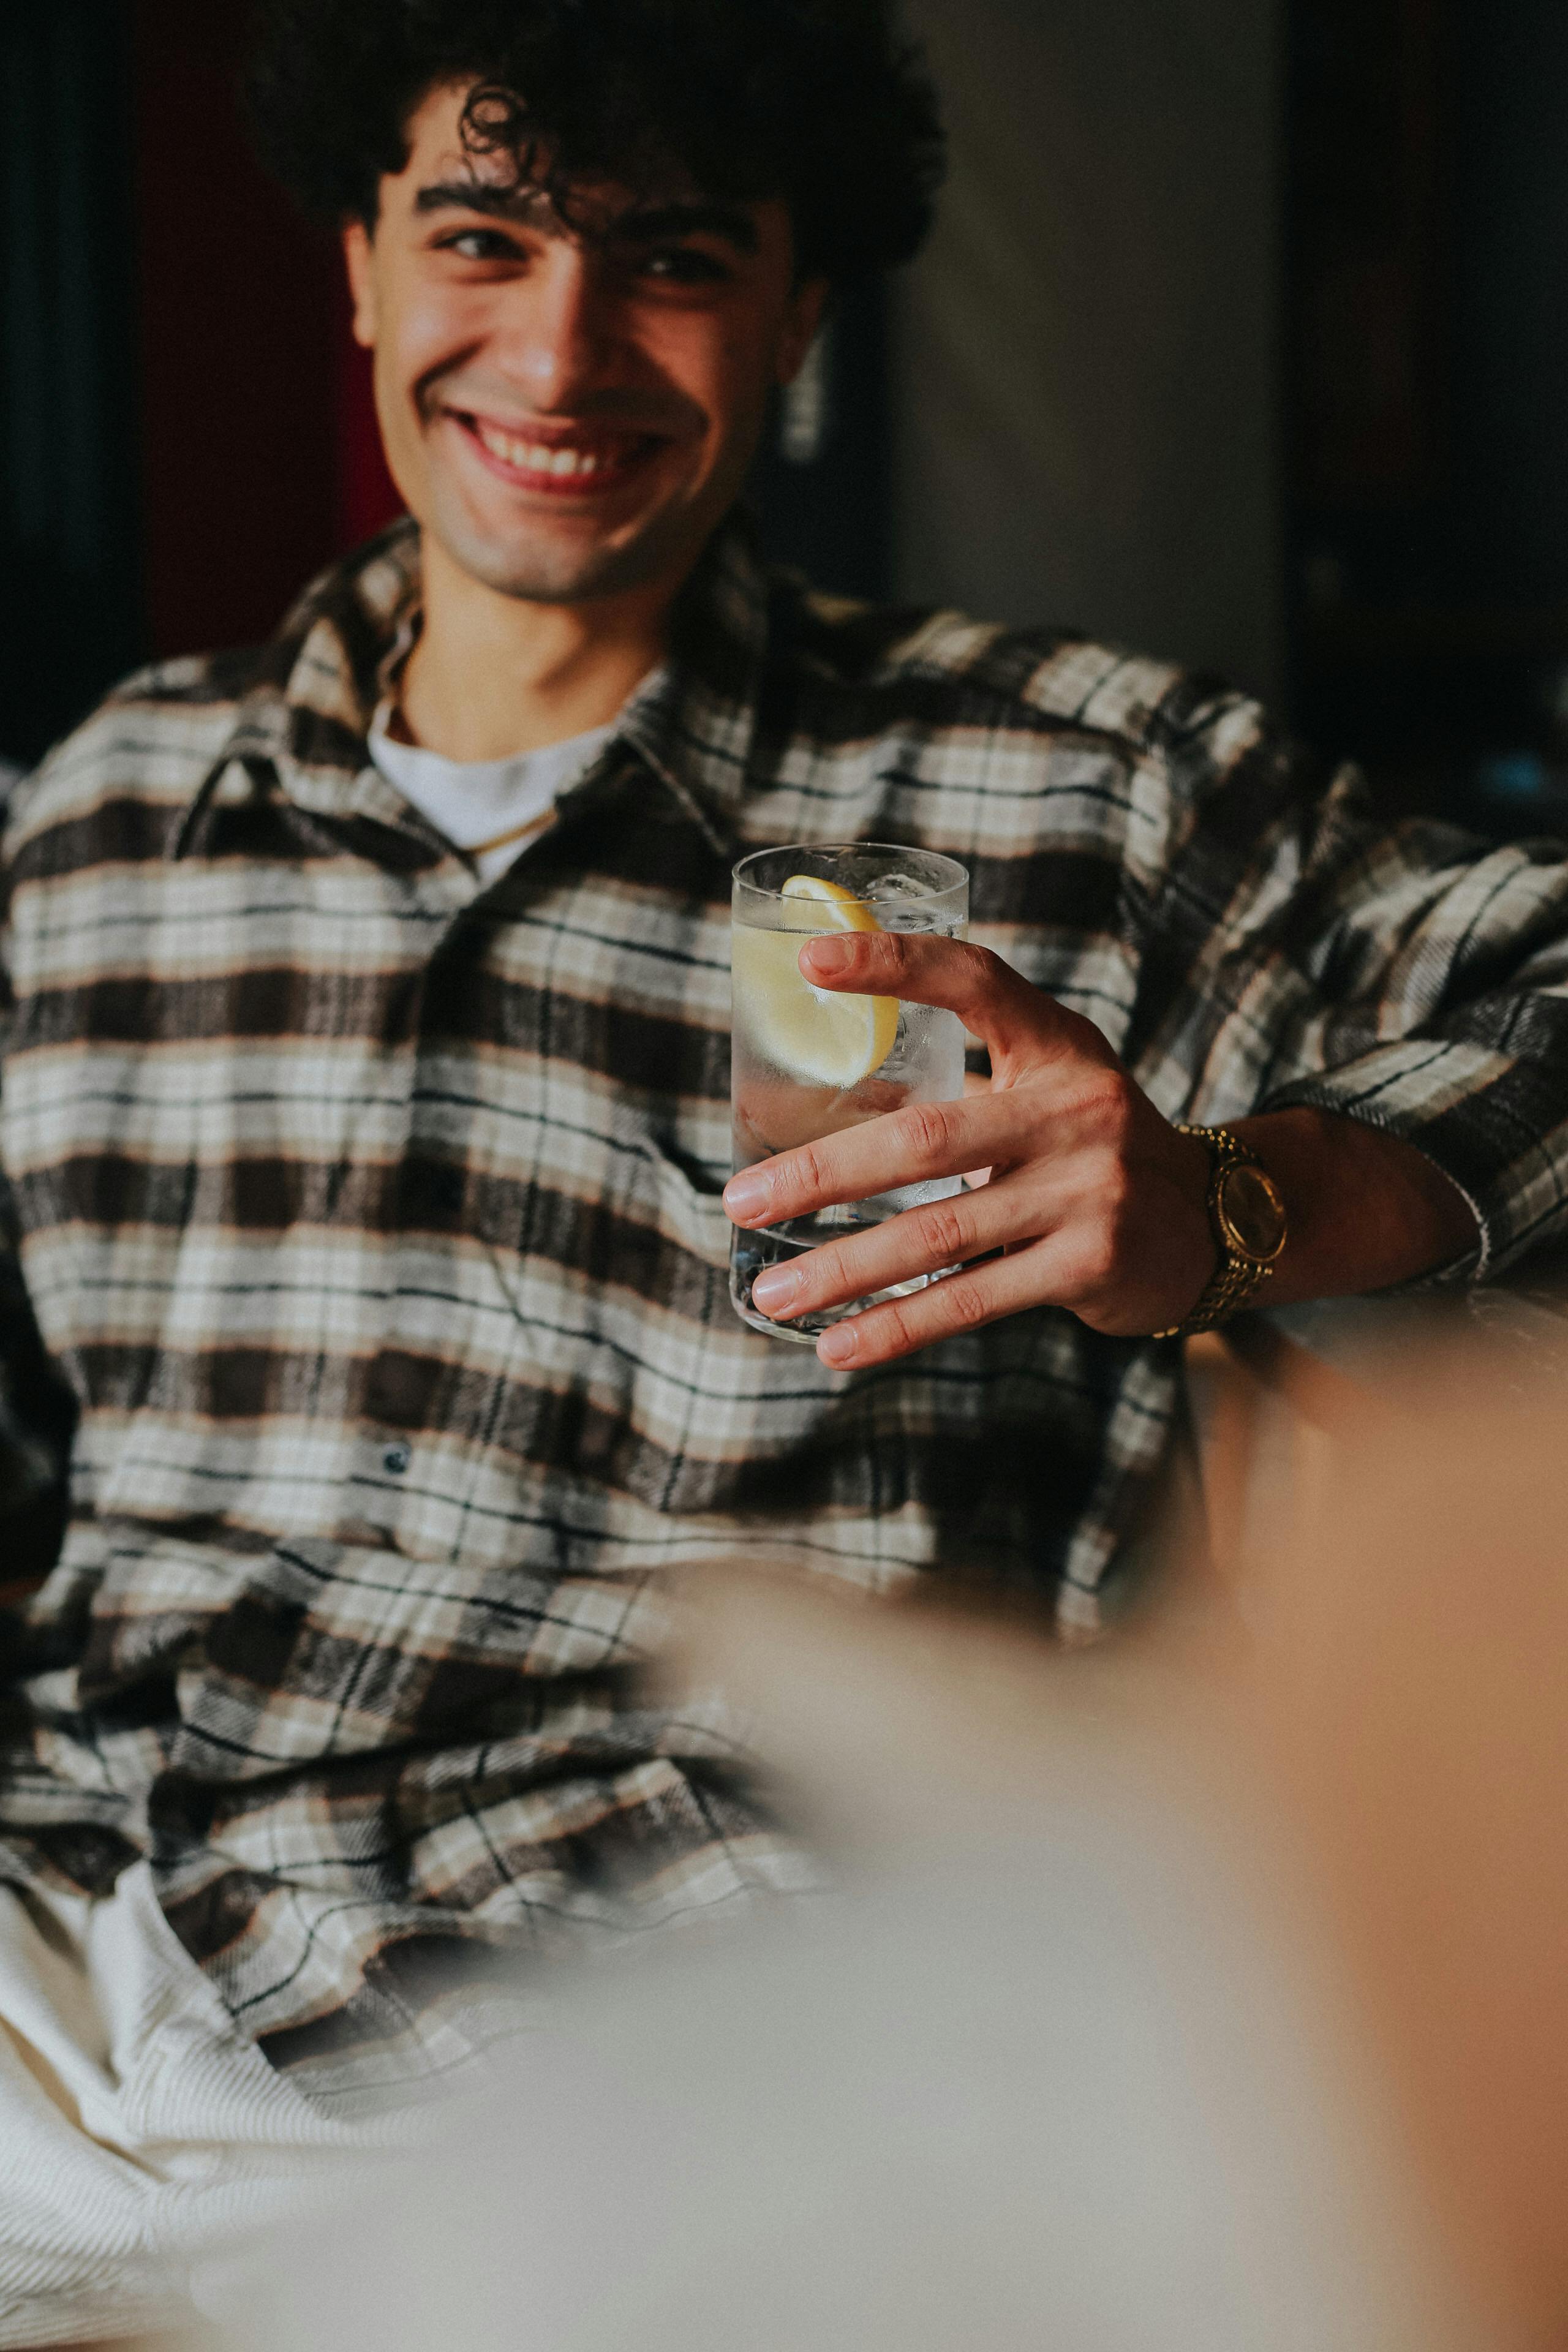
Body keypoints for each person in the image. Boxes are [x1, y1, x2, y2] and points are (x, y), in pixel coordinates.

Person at [2, 0, 1568, 2273]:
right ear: (354, 265)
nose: (558, 357)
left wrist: (1238, 1204)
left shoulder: (1078, 791)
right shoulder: (111, 814)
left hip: (659, 2009)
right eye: (482, 239)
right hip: (70, 1932)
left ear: (800, 314)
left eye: (671, 260)